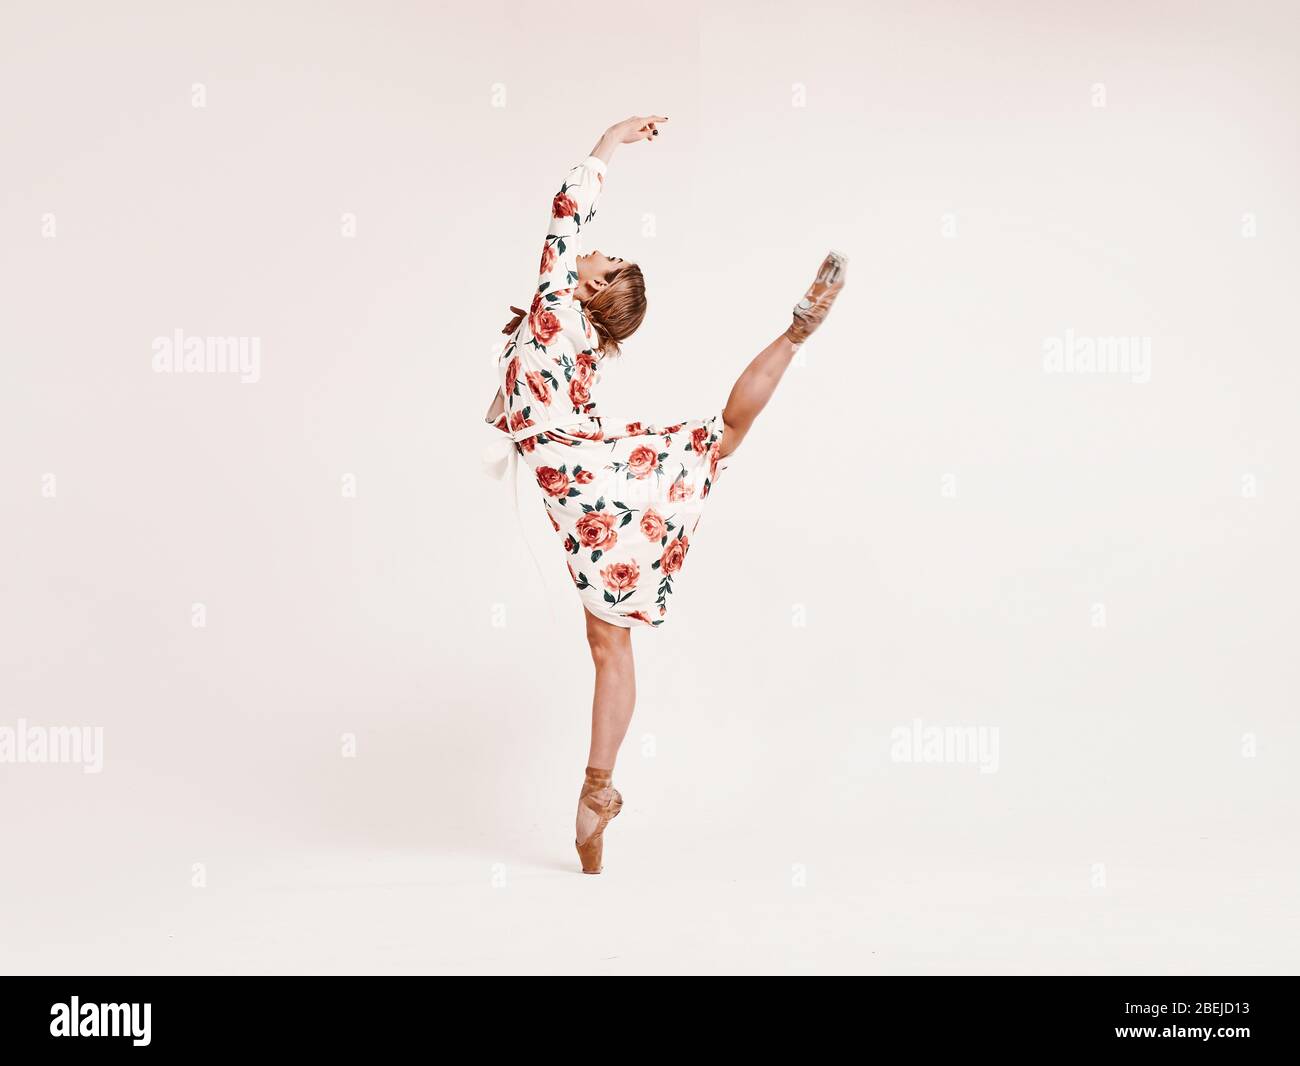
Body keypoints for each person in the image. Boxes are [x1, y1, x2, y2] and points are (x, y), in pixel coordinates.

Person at [484, 115, 844, 873]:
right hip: (595, 474)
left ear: (590, 287)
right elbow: (571, 227)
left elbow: (565, 208)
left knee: (714, 443)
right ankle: (595, 798)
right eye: (604, 254)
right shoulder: (575, 334)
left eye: (602, 259)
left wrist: (610, 140)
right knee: (613, 641)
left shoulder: (556, 312)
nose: (592, 251)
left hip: (584, 475)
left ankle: (798, 331)